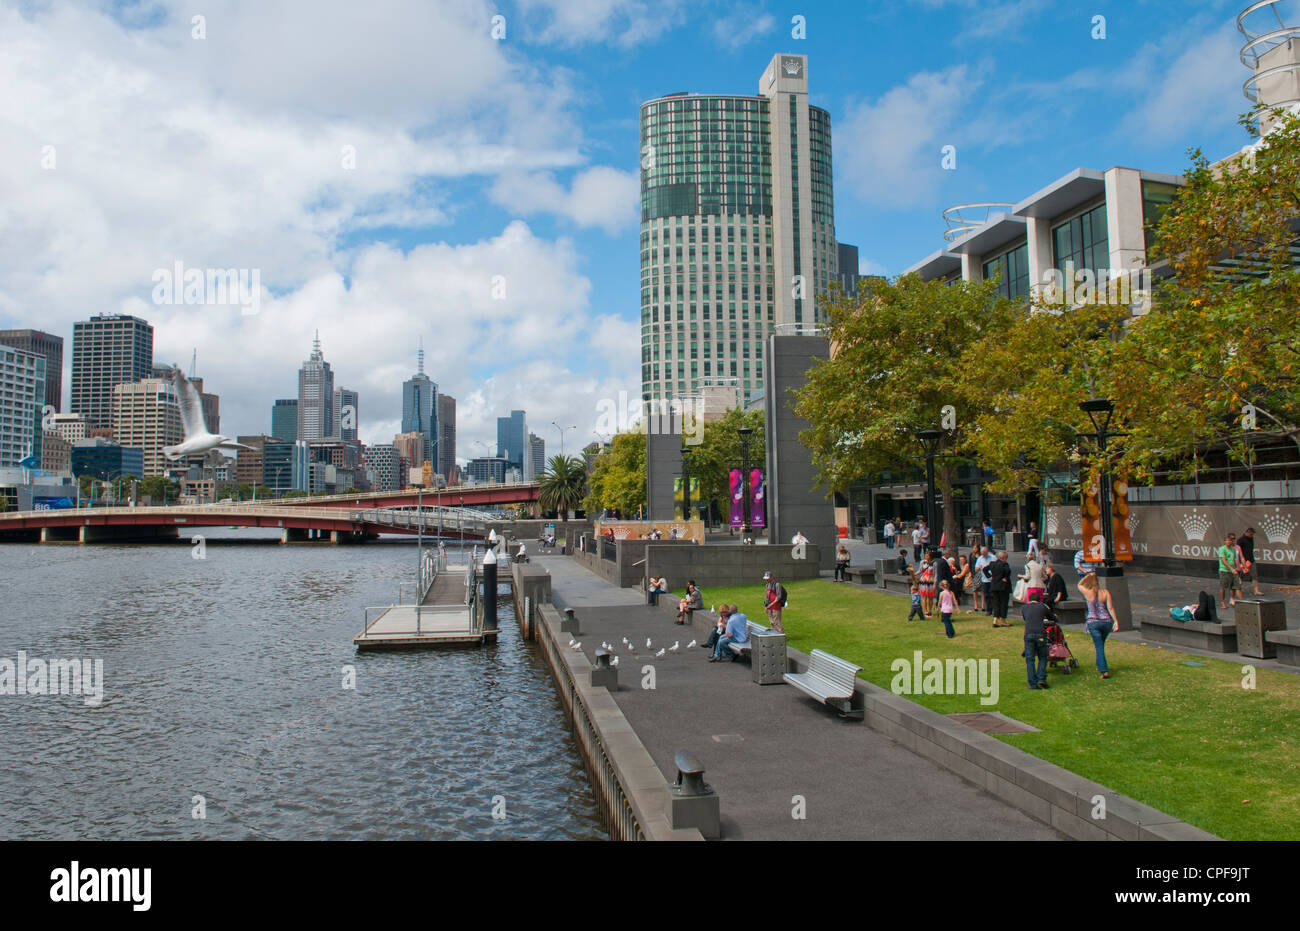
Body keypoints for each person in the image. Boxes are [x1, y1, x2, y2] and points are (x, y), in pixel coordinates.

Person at [1078, 573, 1116, 679]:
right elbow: (1111, 608)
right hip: (1106, 622)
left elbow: (1079, 585)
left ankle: (1104, 670)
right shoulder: (1105, 593)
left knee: (1099, 646)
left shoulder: (1088, 592)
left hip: (1093, 622)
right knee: (1100, 645)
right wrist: (1116, 621)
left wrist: (1086, 577)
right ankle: (1099, 664)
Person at [1020, 597, 1053, 690]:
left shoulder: (1024, 607)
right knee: (1042, 657)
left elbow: (1025, 618)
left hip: (1028, 634)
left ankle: (1032, 684)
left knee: (1030, 660)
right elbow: (1052, 617)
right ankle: (1041, 678)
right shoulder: (1042, 606)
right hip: (1040, 634)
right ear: (1039, 600)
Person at [1217, 533, 1242, 609]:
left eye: (1230, 540)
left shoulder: (1234, 550)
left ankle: (1232, 599)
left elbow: (1234, 560)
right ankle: (1223, 602)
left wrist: (1237, 568)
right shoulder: (1222, 549)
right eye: (1227, 540)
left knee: (1233, 586)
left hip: (1233, 570)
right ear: (1225, 541)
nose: (1229, 542)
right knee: (1223, 587)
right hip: (1224, 571)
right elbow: (1224, 560)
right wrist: (1231, 569)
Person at [989, 550, 1013, 627]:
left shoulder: (993, 564)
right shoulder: (1005, 565)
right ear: (1004, 558)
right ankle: (1003, 620)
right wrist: (1005, 577)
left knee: (996, 603)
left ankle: (995, 620)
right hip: (1003, 587)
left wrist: (990, 576)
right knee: (1003, 603)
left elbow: (985, 569)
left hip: (994, 586)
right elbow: (1008, 572)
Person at [1238, 527, 1261, 596]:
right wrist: (1241, 561)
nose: (1252, 535)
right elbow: (1238, 551)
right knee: (1240, 576)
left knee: (1254, 575)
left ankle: (1256, 590)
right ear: (1247, 532)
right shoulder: (1240, 540)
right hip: (1243, 561)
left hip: (1251, 560)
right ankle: (1238, 590)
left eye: (1252, 534)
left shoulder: (1251, 539)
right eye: (1251, 534)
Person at [975, 546, 995, 616]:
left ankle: (995, 609)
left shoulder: (992, 557)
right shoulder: (980, 559)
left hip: (992, 579)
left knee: (993, 594)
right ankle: (989, 610)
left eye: (985, 553)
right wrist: (978, 568)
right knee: (986, 595)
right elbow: (976, 569)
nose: (984, 555)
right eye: (982, 554)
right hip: (984, 580)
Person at [918, 553, 936, 617]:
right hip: (924, 579)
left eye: (927, 556)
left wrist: (935, 582)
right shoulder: (922, 562)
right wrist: (914, 574)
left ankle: (930, 610)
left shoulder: (934, 563)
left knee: (930, 596)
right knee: (924, 596)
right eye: (925, 556)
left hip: (930, 579)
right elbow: (920, 570)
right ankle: (925, 611)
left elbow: (935, 573)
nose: (926, 557)